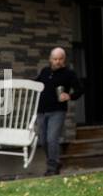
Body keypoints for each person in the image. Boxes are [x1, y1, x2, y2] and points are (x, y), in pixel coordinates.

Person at [33, 47, 83, 176]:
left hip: (57, 111)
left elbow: (79, 89)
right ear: (50, 59)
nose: (58, 61)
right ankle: (55, 161)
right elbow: (35, 84)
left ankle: (52, 167)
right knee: (43, 140)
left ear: (64, 59)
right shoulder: (45, 71)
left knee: (52, 139)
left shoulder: (69, 73)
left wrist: (69, 96)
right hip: (41, 111)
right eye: (55, 59)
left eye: (60, 59)